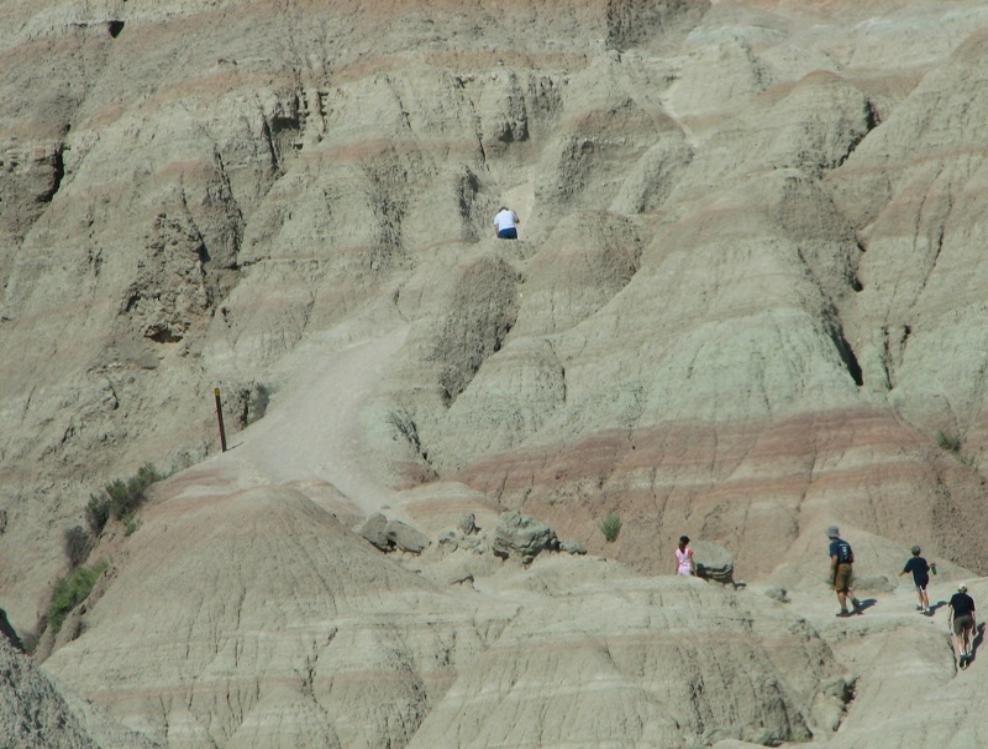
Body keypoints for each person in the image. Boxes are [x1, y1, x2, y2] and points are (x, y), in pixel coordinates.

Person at [827, 526, 861, 617]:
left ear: (830, 536)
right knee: (845, 587)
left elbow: (835, 557)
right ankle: (853, 599)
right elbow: (852, 557)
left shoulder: (833, 544)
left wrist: (832, 569)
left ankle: (844, 611)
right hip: (849, 566)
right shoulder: (846, 543)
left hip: (840, 567)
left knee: (839, 589)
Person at [947, 583, 977, 668]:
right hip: (968, 618)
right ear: (966, 590)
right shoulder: (969, 599)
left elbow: (950, 609)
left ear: (958, 590)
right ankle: (967, 654)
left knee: (959, 638)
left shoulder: (954, 597)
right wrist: (974, 627)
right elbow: (973, 614)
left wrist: (948, 620)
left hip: (958, 619)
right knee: (966, 637)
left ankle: (962, 654)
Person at [900, 545, 931, 615]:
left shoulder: (911, 561)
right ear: (919, 552)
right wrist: (929, 566)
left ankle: (928, 609)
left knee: (923, 593)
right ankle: (921, 605)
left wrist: (900, 574)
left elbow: (906, 569)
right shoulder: (923, 560)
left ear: (912, 553)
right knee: (919, 591)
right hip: (924, 578)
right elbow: (926, 569)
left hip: (919, 579)